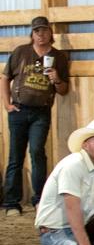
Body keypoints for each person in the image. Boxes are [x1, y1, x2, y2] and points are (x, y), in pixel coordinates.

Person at [3, 16, 71, 216]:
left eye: (44, 30)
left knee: (37, 153)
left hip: (41, 112)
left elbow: (64, 90)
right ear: (32, 34)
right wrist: (7, 104)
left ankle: (40, 200)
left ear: (51, 33)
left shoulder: (59, 57)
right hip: (18, 110)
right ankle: (11, 203)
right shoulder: (20, 52)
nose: (41, 34)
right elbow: (5, 78)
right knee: (15, 156)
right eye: (37, 31)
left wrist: (56, 79)